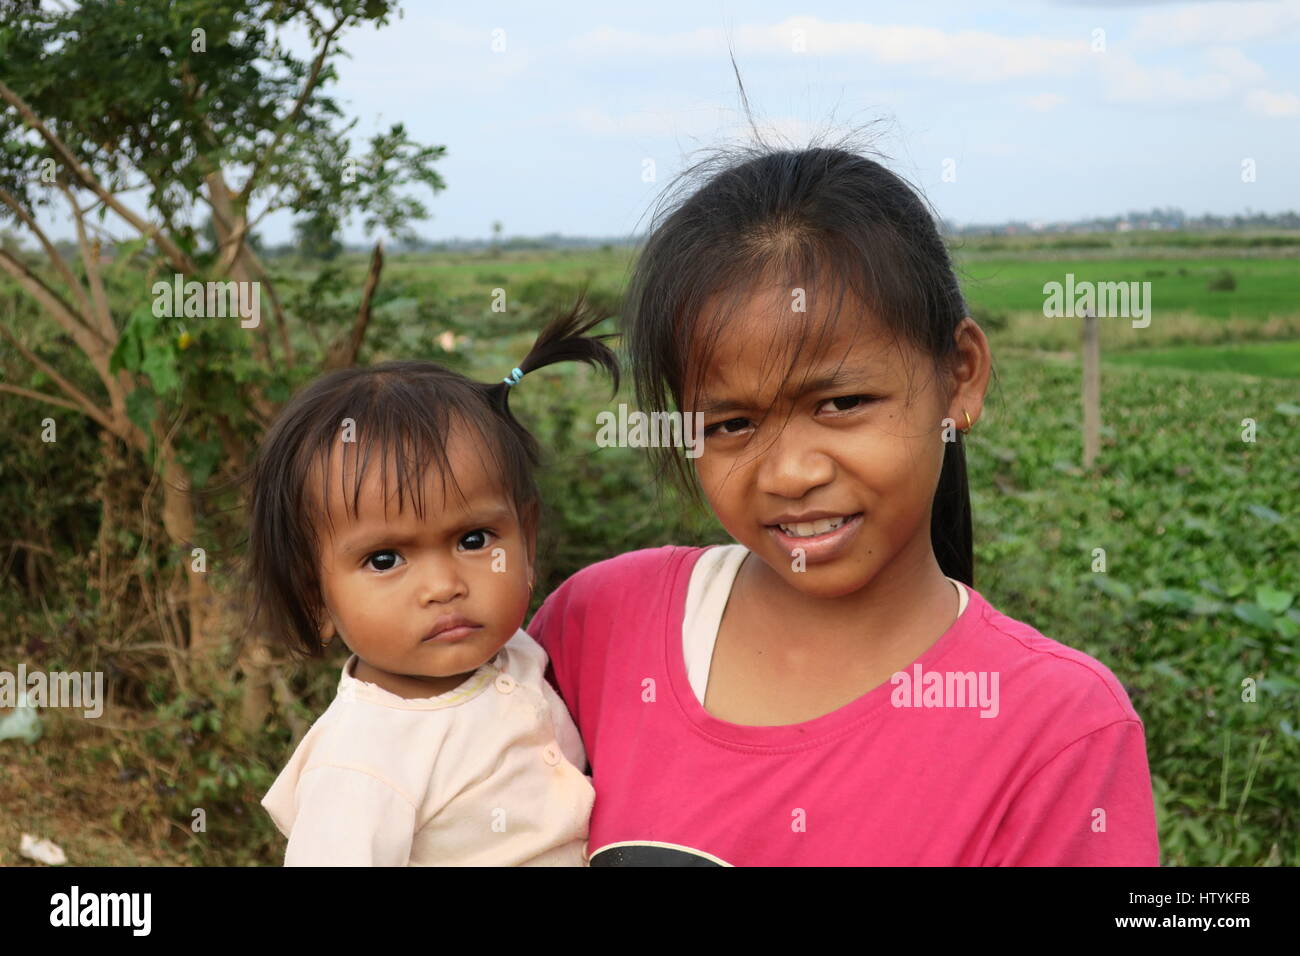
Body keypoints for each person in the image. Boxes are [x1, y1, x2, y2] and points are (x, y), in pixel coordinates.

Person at [527, 143, 1161, 866]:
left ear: (961, 377)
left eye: (843, 403)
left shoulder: (1059, 729)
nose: (791, 473)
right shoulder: (597, 628)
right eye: (731, 424)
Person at [245, 300, 617, 866]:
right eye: (385, 559)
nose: (444, 586)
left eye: (473, 541)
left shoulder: (517, 655)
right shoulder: (364, 764)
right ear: (313, 594)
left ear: (527, 540)